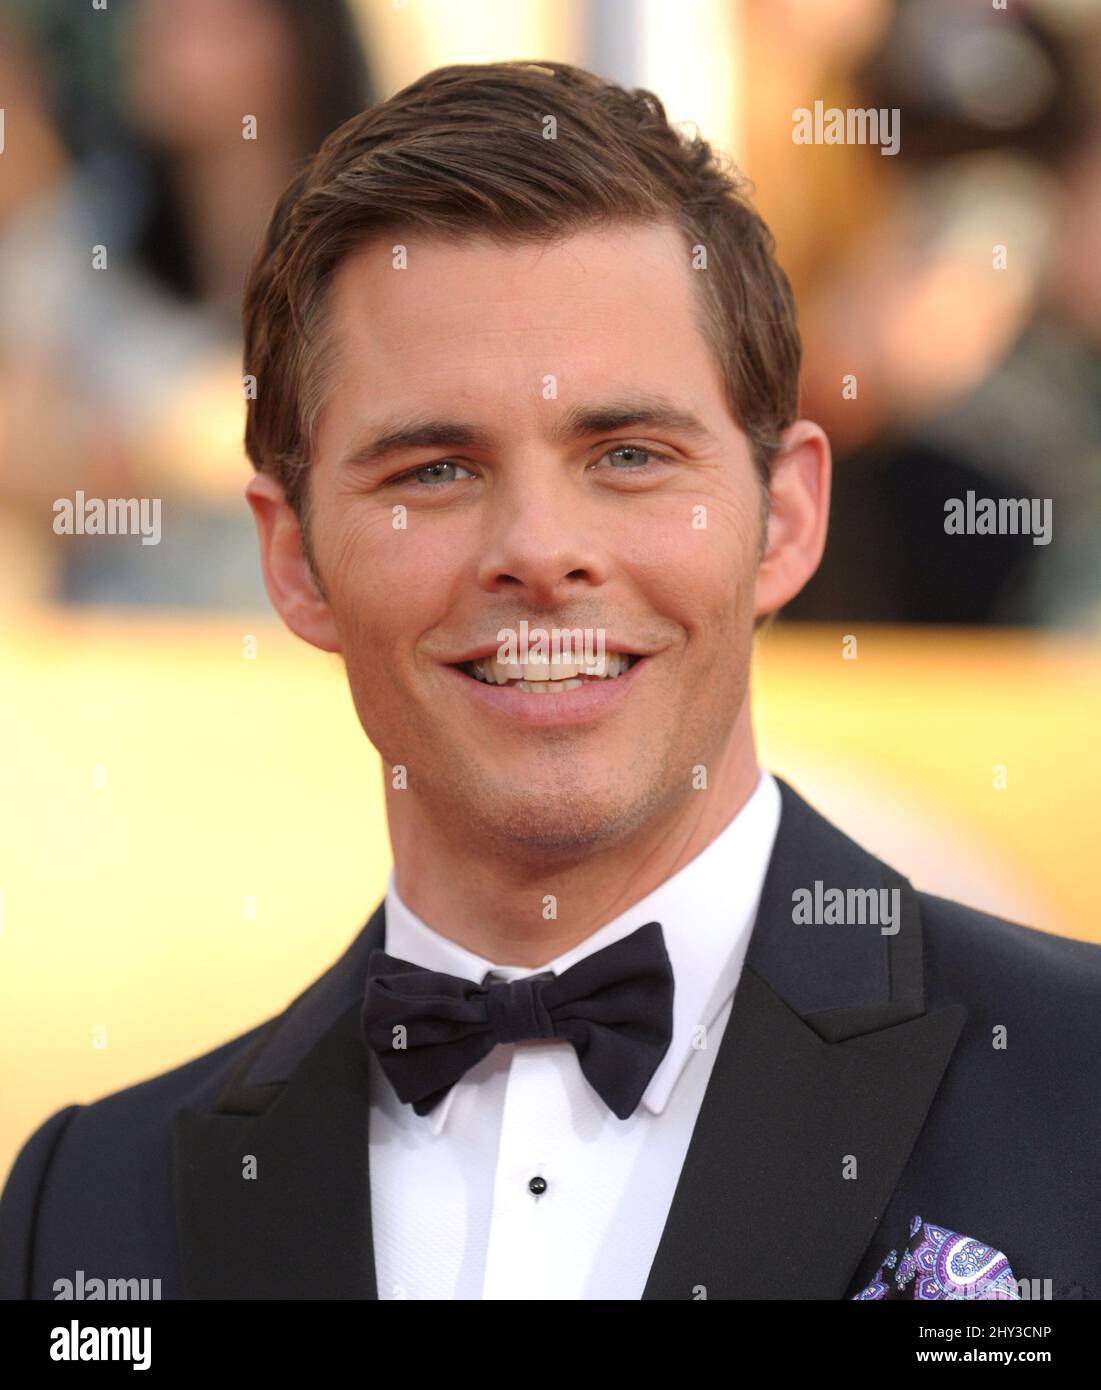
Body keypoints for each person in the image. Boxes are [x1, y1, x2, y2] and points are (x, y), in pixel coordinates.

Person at [2, 61, 1099, 1302]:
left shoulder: (1082, 1089)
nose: (535, 548)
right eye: (433, 470)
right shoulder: (92, 1212)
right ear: (295, 559)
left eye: (628, 454)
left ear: (786, 519)